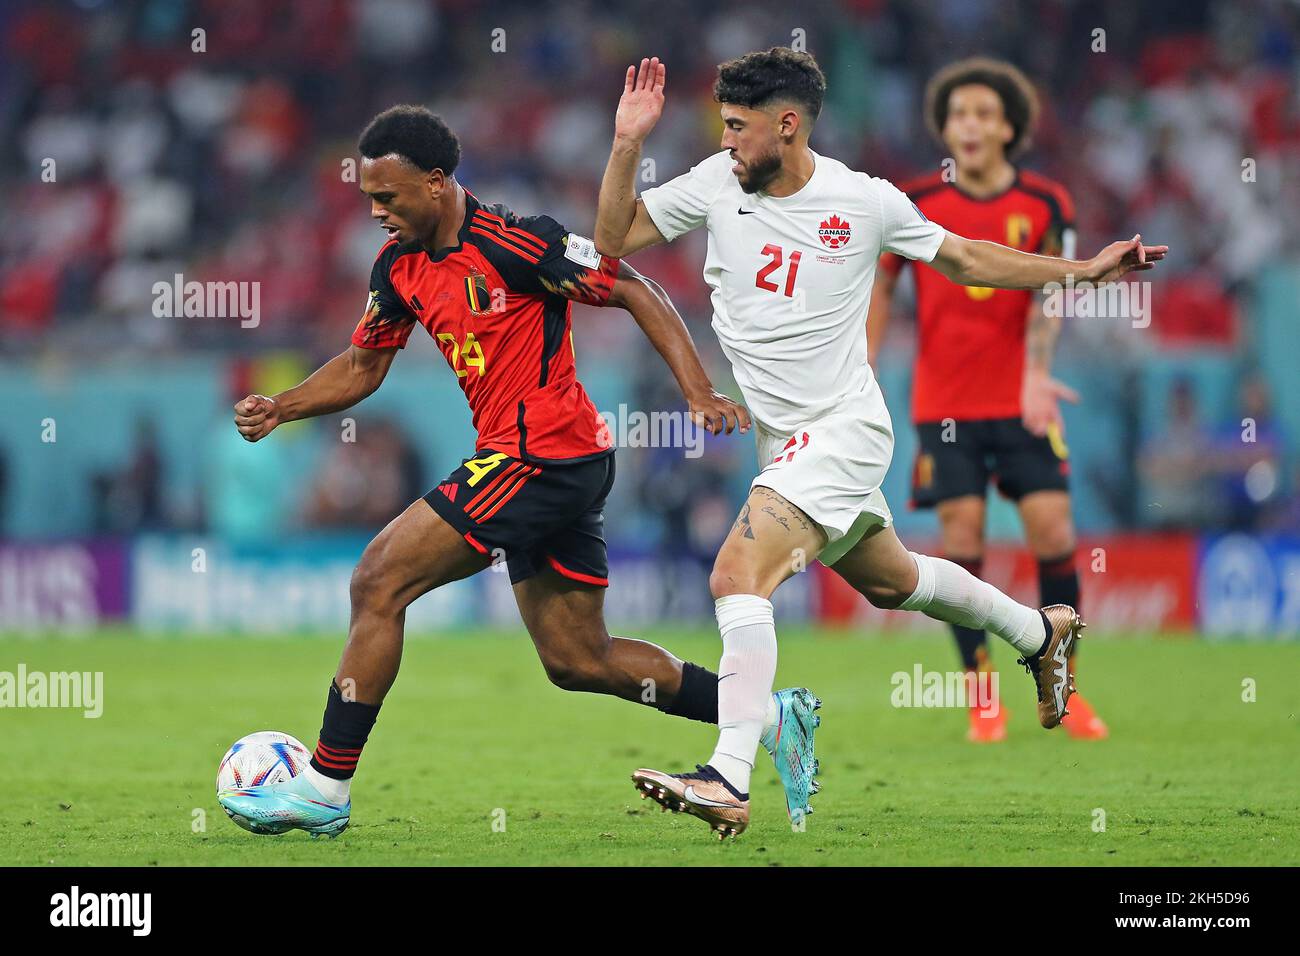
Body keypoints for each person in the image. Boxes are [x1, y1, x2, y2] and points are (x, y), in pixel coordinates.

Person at [595, 50, 1166, 837]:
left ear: (786, 125)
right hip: (787, 444)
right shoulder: (715, 183)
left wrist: (1084, 271)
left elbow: (967, 256)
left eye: (738, 127)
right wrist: (627, 143)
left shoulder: (864, 202)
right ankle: (1042, 632)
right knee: (895, 583)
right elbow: (612, 238)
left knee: (736, 574)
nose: (725, 141)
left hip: (844, 432)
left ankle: (729, 775)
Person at [217, 105, 820, 838]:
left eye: (388, 196)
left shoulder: (517, 242)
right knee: (577, 659)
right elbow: (362, 364)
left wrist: (697, 390)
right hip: (546, 460)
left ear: (437, 183)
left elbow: (634, 288)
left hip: (541, 455)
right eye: (368, 198)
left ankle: (324, 786)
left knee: (379, 579)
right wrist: (284, 406)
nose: (376, 212)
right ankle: (761, 712)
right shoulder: (398, 267)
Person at [867, 58, 1107, 743]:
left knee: (1056, 536)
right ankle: (982, 698)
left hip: (1019, 401)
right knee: (962, 543)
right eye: (956, 114)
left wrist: (1037, 372)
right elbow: (882, 289)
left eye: (982, 113)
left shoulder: (1046, 203)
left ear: (1009, 126)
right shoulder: (911, 202)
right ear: (943, 129)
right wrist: (867, 367)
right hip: (943, 406)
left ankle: (1063, 681)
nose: (967, 125)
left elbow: (1052, 293)